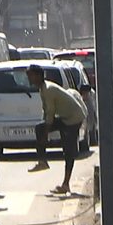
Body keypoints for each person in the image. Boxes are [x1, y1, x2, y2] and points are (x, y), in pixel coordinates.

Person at [27, 64, 86, 195]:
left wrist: (46, 132)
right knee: (39, 128)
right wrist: (44, 131)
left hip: (73, 118)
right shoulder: (42, 89)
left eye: (30, 76)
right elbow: (46, 111)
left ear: (37, 76)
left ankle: (65, 184)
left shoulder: (48, 89)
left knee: (68, 151)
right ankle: (42, 161)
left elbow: (51, 114)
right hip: (65, 117)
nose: (29, 79)